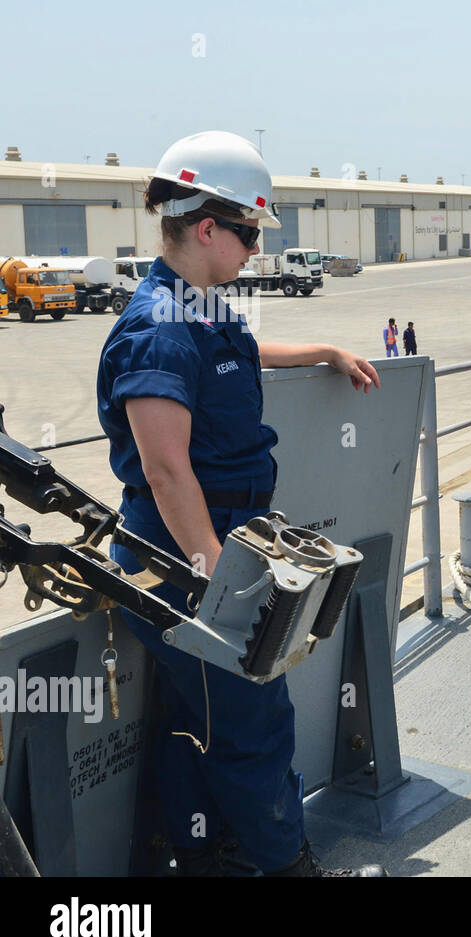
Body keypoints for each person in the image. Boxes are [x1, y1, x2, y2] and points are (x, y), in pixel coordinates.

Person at [96, 130, 385, 877]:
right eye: (251, 231)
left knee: (212, 716)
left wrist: (323, 349)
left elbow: (239, 353)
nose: (257, 246)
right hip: (184, 548)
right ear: (206, 228)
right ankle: (286, 864)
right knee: (253, 721)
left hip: (222, 538)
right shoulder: (154, 330)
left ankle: (211, 848)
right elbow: (166, 471)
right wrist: (215, 579)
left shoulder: (202, 307)